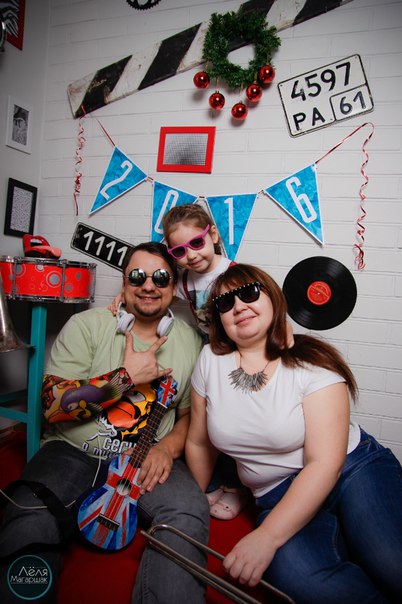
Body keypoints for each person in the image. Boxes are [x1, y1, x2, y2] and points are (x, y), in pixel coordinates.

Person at [0, 241, 209, 604]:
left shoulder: (190, 342)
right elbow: (51, 407)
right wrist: (123, 379)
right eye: (137, 276)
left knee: (188, 514)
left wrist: (167, 447)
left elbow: (189, 416)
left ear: (174, 287)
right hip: (71, 451)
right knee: (29, 518)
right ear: (124, 283)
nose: (148, 285)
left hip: (144, 457)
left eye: (160, 277)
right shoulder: (87, 325)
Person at [186, 262, 402, 604]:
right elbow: (199, 442)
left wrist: (267, 537)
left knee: (392, 563)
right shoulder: (210, 359)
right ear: (220, 320)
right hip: (274, 493)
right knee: (300, 578)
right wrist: (191, 504)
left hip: (350, 471)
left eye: (249, 293)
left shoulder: (311, 361)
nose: (238, 306)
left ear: (273, 299)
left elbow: (324, 464)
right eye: (225, 302)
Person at [110, 203, 248, 520]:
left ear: (213, 235)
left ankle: (235, 486)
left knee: (235, 421)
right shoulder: (185, 280)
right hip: (211, 356)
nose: (192, 255)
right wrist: (123, 296)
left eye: (197, 243)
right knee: (207, 419)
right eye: (180, 251)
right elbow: (159, 294)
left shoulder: (235, 273)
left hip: (240, 356)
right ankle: (213, 482)